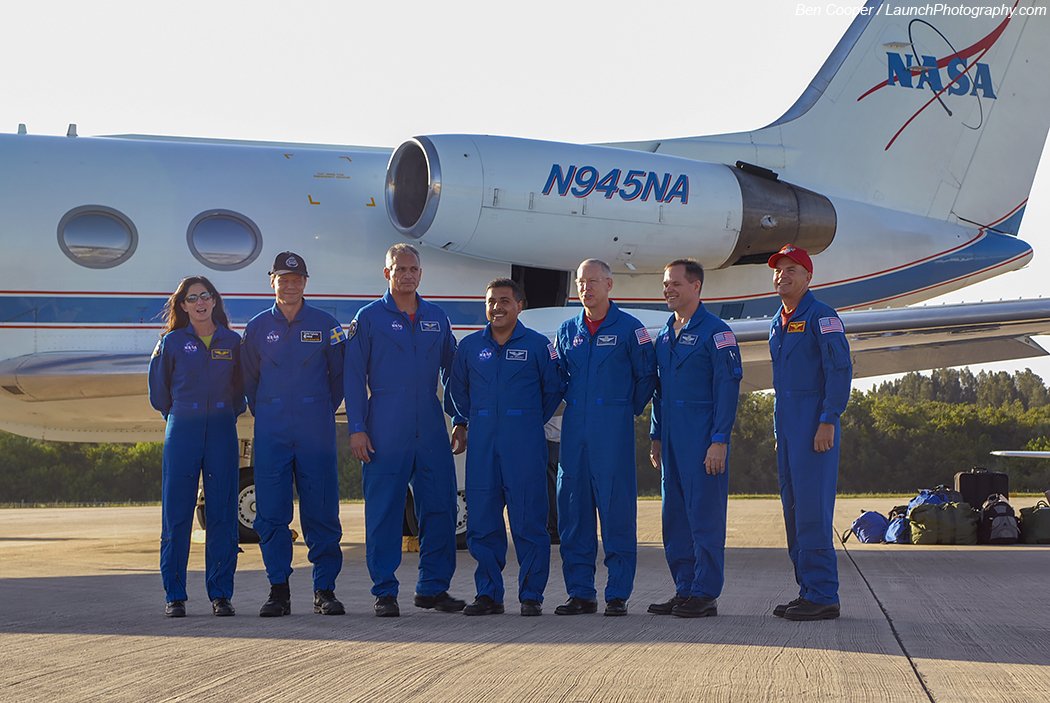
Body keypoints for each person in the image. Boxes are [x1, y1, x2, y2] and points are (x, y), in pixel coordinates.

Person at [344, 243, 466, 617]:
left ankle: (433, 588)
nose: (407, 275)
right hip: (384, 423)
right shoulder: (368, 318)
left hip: (429, 423)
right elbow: (352, 377)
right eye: (399, 269)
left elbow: (454, 370)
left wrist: (460, 417)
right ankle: (384, 590)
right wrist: (357, 428)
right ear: (387, 273)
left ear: (420, 274)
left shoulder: (436, 317)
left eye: (413, 269)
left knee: (441, 507)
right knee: (384, 510)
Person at [448, 279, 564, 616]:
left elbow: (553, 389)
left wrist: (526, 420)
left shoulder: (539, 346)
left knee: (529, 521)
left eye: (504, 301)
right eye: (490, 301)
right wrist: (467, 420)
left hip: (524, 443)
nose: (497, 307)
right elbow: (457, 389)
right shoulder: (469, 347)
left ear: (519, 305)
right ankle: (488, 594)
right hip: (483, 445)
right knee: (483, 523)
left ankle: (531, 595)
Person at [242, 251, 346, 617]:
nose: (290, 284)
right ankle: (278, 590)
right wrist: (269, 409)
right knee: (271, 512)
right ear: (272, 281)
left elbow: (339, 376)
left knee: (321, 511)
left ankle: (325, 590)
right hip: (272, 429)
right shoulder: (256, 327)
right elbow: (249, 379)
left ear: (305, 282)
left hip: (315, 429)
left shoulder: (325, 323)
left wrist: (317, 408)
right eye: (283, 279)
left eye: (296, 278)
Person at [555, 259, 656, 616]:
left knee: (616, 512)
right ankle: (580, 593)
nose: (586, 288)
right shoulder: (567, 330)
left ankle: (617, 593)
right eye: (581, 282)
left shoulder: (631, 329)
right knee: (573, 512)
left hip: (612, 433)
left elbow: (647, 377)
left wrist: (624, 408)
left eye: (593, 281)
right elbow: (558, 379)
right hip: (575, 435)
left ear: (610, 285)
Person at [648, 259, 742, 618]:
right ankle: (684, 588)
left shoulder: (717, 333)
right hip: (671, 441)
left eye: (675, 284)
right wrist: (656, 434)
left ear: (696, 287)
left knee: (704, 517)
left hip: (703, 439)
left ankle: (705, 592)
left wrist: (719, 439)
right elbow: (659, 392)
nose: (668, 289)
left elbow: (727, 389)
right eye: (665, 283)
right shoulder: (663, 335)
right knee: (675, 518)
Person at [148, 276, 245, 617]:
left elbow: (239, 394)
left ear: (215, 301)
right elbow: (158, 394)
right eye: (193, 298)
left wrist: (220, 414)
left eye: (206, 296)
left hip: (221, 429)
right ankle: (174, 595)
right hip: (183, 429)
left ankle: (220, 594)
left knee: (222, 514)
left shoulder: (233, 342)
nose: (200, 302)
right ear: (183, 305)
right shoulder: (171, 343)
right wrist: (182, 415)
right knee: (176, 516)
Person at [767, 244, 852, 621]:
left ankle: (823, 595)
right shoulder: (777, 321)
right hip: (787, 428)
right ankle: (807, 591)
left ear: (808, 277)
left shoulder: (823, 316)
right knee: (794, 510)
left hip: (814, 426)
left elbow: (839, 370)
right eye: (778, 270)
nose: (782, 275)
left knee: (814, 511)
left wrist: (828, 419)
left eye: (791, 270)